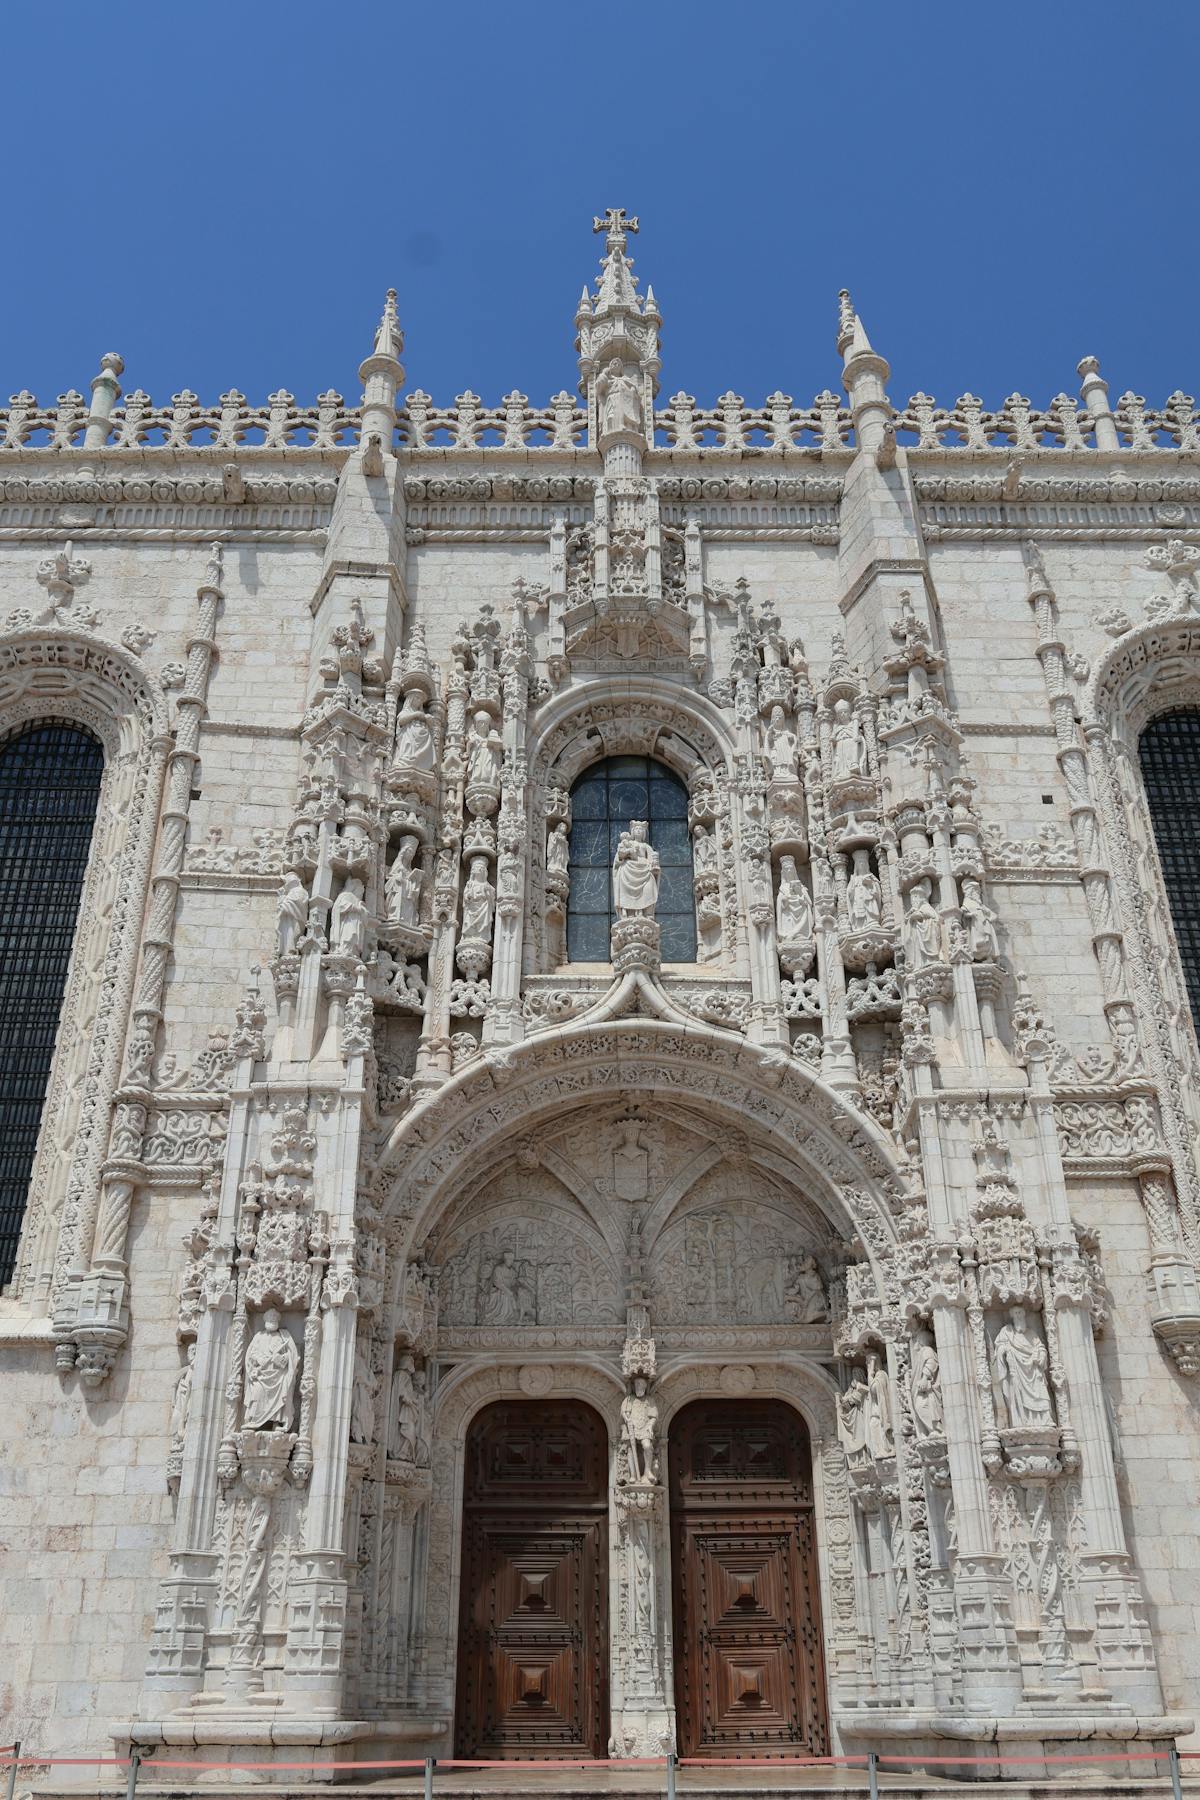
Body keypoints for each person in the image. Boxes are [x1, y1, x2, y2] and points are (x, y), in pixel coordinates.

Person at [612, 821, 660, 917]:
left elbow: (652, 860)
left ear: (644, 833)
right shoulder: (627, 843)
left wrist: (654, 863)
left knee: (649, 886)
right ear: (633, 831)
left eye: (641, 829)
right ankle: (629, 913)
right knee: (626, 887)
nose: (639, 831)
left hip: (644, 870)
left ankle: (645, 913)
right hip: (628, 870)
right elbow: (618, 858)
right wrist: (627, 853)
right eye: (637, 829)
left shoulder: (646, 846)